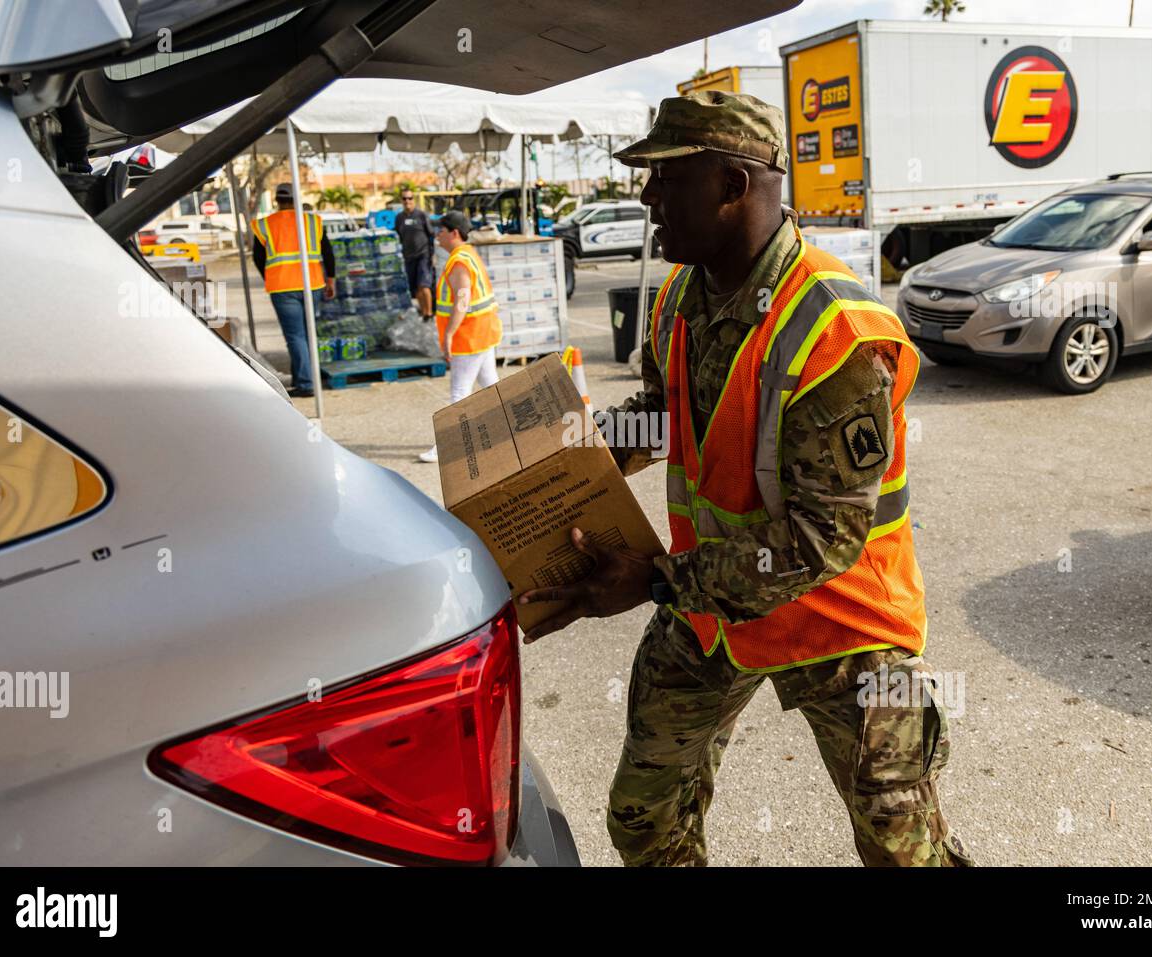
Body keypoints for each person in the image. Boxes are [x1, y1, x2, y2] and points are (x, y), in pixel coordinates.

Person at [518, 91, 972, 867]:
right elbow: (665, 414)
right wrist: (570, 453)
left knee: (907, 851)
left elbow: (815, 542)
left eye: (666, 178)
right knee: (643, 820)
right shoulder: (681, 299)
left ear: (732, 187)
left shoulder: (838, 333)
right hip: (714, 616)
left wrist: (656, 580)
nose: (647, 196)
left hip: (845, 630)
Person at [418, 211, 502, 463]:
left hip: (469, 336)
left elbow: (462, 301)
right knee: (491, 385)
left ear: (454, 233)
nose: (437, 235)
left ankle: (450, 446)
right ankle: (514, 428)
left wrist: (449, 335)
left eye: (440, 231)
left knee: (459, 391)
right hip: (483, 332)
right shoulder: (467, 254)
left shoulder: (459, 262)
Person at [251, 183, 335, 398]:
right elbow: (328, 253)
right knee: (308, 333)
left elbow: (258, 259)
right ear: (296, 199)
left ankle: (306, 383)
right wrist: (331, 280)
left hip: (283, 287)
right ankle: (305, 376)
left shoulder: (265, 225)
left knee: (296, 336)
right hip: (313, 284)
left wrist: (270, 275)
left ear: (276, 201)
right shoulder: (312, 221)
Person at [396, 189, 436, 319]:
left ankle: (429, 313)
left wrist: (433, 255)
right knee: (415, 289)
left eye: (410, 198)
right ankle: (423, 312)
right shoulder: (399, 218)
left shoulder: (421, 215)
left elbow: (431, 235)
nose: (407, 201)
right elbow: (398, 237)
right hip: (409, 257)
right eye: (404, 199)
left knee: (424, 285)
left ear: (414, 200)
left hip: (423, 255)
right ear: (401, 201)